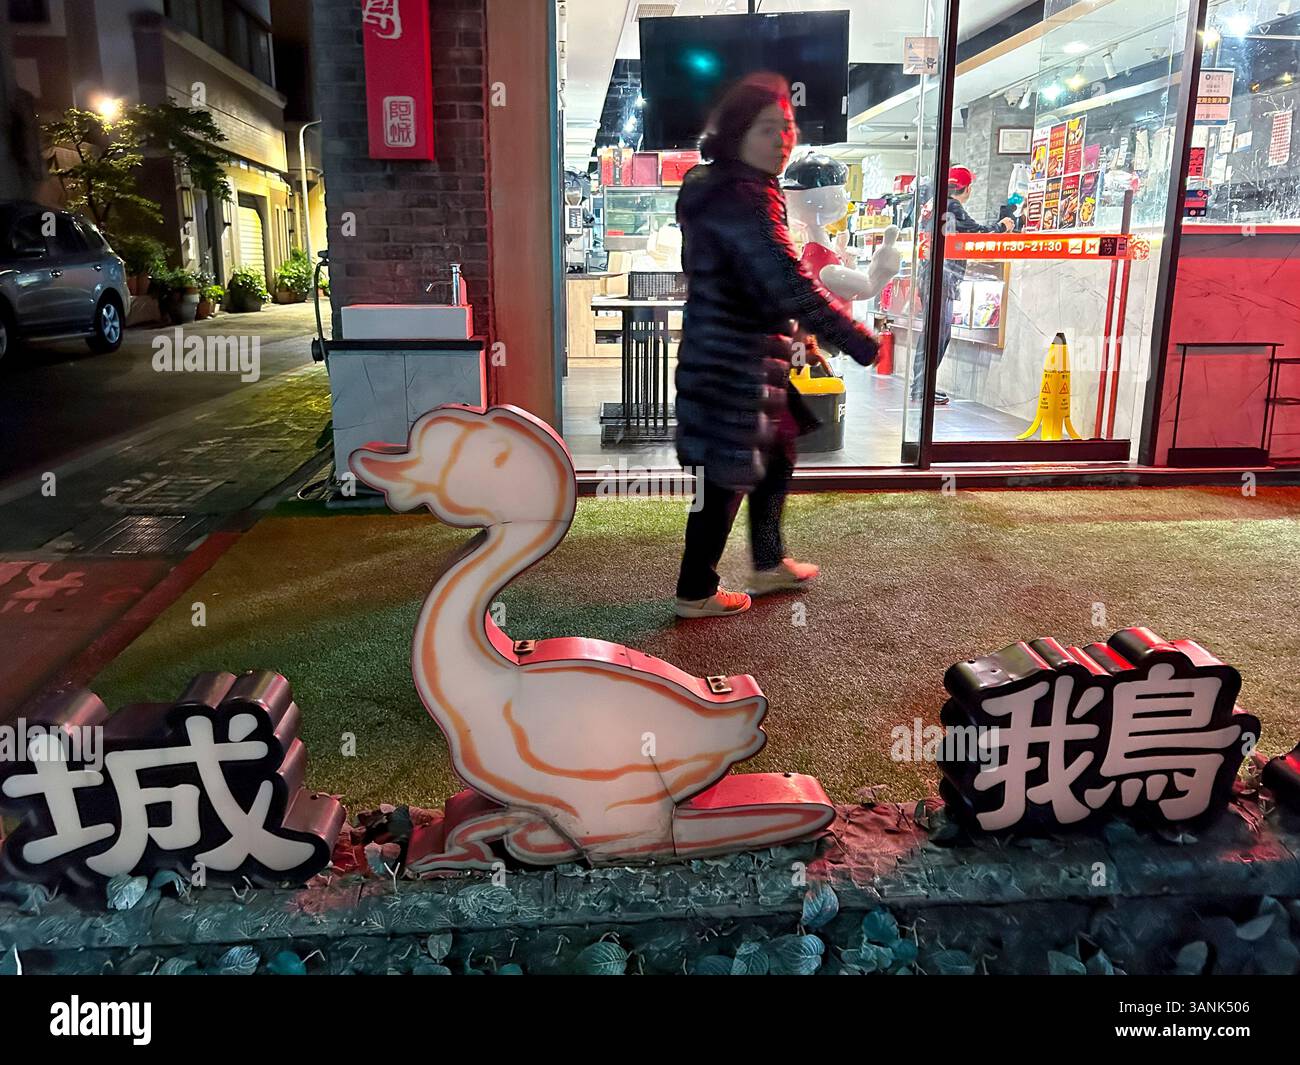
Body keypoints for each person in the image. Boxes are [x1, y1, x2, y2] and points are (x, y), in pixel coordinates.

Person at [672, 73, 879, 619]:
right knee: (727, 473)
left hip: (740, 352)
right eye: (768, 128)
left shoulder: (730, 187)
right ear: (737, 132)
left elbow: (759, 281)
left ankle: (767, 563)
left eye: (787, 127)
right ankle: (695, 590)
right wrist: (856, 340)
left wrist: (799, 336)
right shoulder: (743, 195)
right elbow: (787, 280)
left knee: (776, 453)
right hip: (731, 361)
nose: (782, 139)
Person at [910, 166, 1015, 406]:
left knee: (933, 334)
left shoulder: (932, 204)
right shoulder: (952, 206)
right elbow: (977, 233)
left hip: (931, 275)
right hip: (943, 277)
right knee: (937, 336)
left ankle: (921, 386)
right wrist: (1003, 227)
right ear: (966, 189)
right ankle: (921, 388)